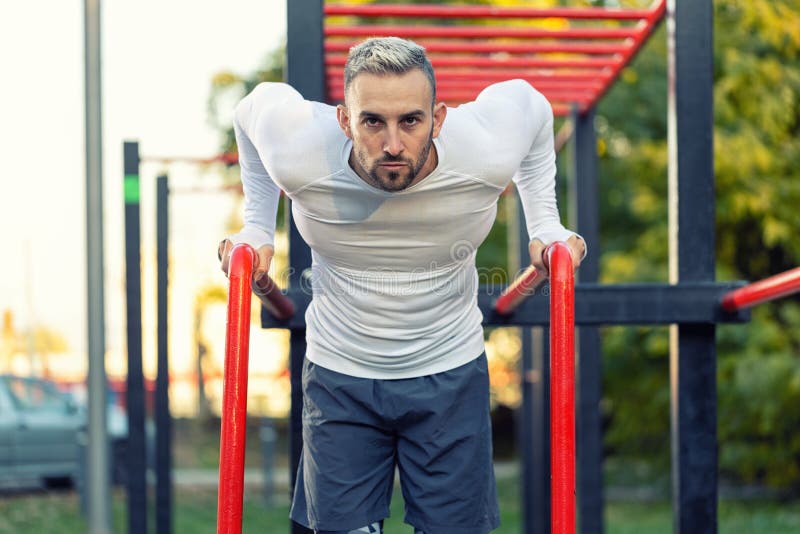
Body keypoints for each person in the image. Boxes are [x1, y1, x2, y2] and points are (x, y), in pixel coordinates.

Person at [219, 37, 586, 534]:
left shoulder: (482, 147)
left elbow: (535, 108)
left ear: (438, 119)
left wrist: (545, 224)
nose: (393, 144)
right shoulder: (301, 146)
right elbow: (248, 111)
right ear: (344, 122)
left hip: (449, 371)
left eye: (411, 121)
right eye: (373, 121)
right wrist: (258, 227)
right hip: (339, 375)